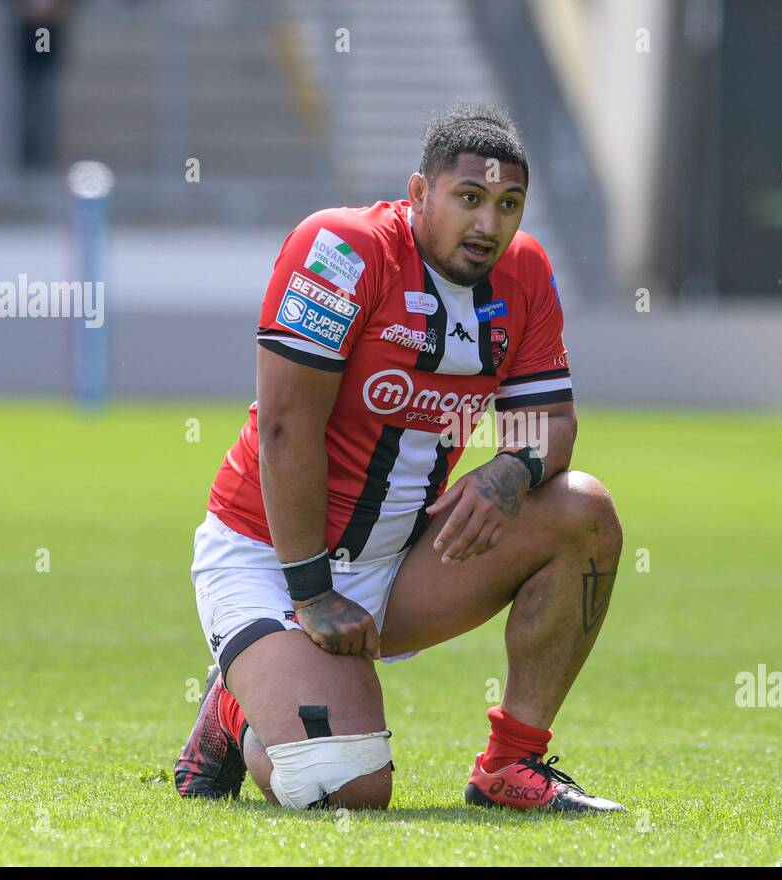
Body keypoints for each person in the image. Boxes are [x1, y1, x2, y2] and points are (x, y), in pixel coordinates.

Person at [174, 103, 624, 812]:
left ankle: (510, 765)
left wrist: (508, 471)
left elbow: (551, 425)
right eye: (468, 199)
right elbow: (287, 430)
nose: (488, 224)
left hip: (402, 558)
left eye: (508, 205)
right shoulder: (341, 250)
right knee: (348, 790)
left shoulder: (525, 272)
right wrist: (312, 593)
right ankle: (234, 707)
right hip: (271, 558)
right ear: (418, 194)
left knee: (583, 511)